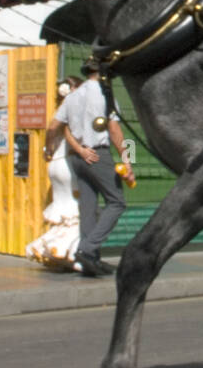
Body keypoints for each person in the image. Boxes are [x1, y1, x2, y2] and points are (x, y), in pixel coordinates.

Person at [58, 60, 130, 277]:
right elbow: (116, 131)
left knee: (88, 208)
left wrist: (77, 149)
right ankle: (87, 249)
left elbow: (57, 125)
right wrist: (128, 160)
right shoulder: (105, 94)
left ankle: (90, 261)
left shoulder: (71, 97)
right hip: (99, 154)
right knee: (117, 202)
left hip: (79, 159)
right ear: (103, 73)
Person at [28, 76, 86, 270]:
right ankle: (67, 251)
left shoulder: (59, 110)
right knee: (79, 210)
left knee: (63, 209)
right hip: (70, 163)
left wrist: (47, 149)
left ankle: (52, 250)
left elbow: (52, 129)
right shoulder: (75, 110)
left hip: (56, 163)